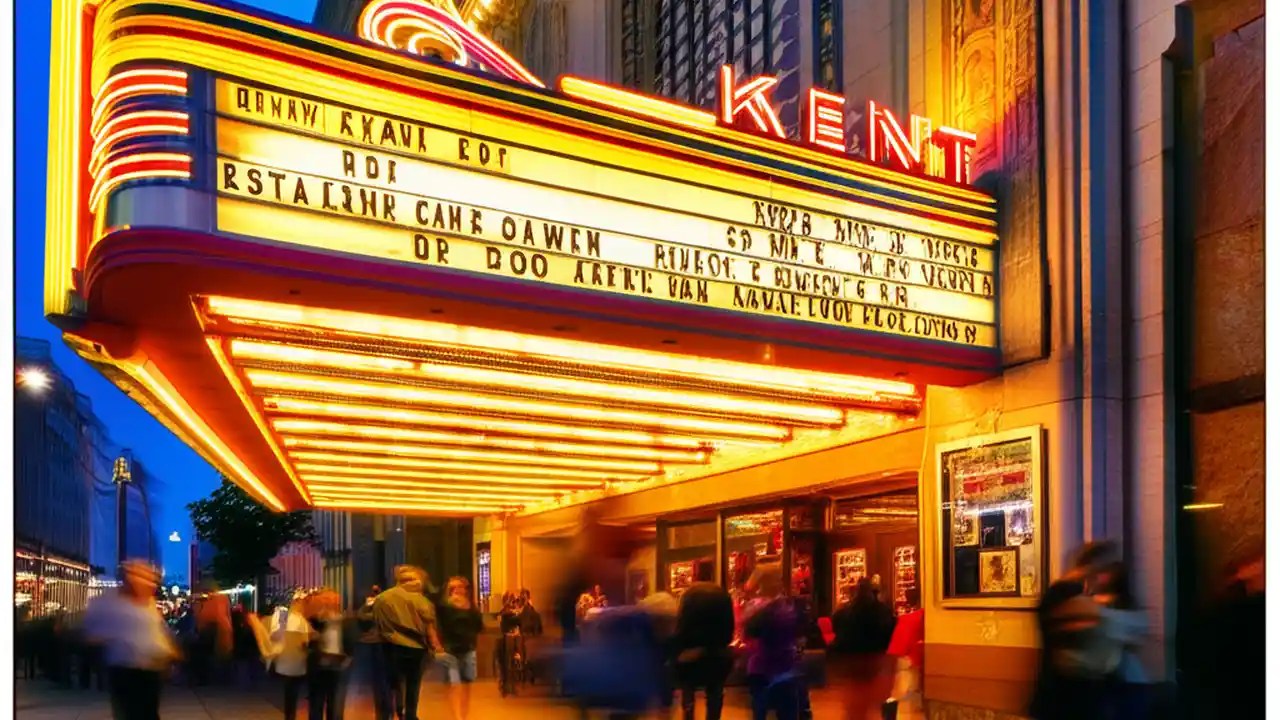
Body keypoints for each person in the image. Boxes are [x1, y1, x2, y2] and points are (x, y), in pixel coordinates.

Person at [1028, 540, 1121, 720]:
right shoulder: (1066, 595)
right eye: (1107, 569)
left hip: (1067, 695)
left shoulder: (1066, 593)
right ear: (1092, 568)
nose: (1109, 577)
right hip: (1067, 697)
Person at [81, 561, 180, 720]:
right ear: (131, 582)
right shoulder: (108, 603)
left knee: (147, 712)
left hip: (151, 668)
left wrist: (169, 652)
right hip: (125, 668)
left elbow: (156, 632)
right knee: (129, 712)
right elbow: (93, 633)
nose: (150, 588)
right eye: (146, 582)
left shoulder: (148, 604)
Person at [373, 565, 442, 720]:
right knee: (413, 684)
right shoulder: (422, 601)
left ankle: (389, 713)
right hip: (416, 648)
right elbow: (429, 628)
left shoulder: (382, 598)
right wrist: (436, 648)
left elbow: (376, 622)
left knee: (391, 684)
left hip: (389, 646)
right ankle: (410, 714)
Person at [741, 561, 803, 720]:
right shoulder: (789, 606)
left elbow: (747, 633)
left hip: (761, 666)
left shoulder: (756, 607)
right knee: (787, 711)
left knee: (760, 709)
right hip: (787, 665)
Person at [828, 578, 897, 720]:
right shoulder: (881, 611)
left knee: (856, 703)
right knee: (876, 698)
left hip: (853, 660)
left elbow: (837, 626)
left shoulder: (846, 611)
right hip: (875, 657)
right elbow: (889, 629)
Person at [1090, 561, 1149, 720]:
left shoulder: (1104, 607)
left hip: (1125, 678)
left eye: (1105, 573)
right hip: (1112, 678)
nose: (1101, 577)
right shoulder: (1097, 604)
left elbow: (1134, 635)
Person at [673, 574, 735, 720]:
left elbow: (681, 630)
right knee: (715, 692)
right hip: (717, 655)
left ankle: (688, 714)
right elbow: (729, 631)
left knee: (688, 689)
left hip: (691, 657)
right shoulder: (722, 597)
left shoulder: (689, 597)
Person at [436, 577, 484, 720]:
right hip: (450, 650)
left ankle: (463, 715)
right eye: (454, 587)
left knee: (467, 685)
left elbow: (479, 626)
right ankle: (456, 716)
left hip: (468, 649)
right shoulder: (444, 607)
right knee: (454, 685)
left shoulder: (472, 607)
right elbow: (439, 625)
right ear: (449, 590)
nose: (458, 590)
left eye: (461, 587)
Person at [307, 588, 355, 720]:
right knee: (316, 701)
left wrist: (348, 659)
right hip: (319, 663)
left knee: (336, 703)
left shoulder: (345, 621)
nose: (331, 602)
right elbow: (308, 640)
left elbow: (352, 641)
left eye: (333, 600)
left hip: (338, 664)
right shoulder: (315, 620)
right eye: (327, 600)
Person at [269, 592, 313, 720]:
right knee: (289, 694)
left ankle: (290, 715)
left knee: (292, 694)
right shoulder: (283, 616)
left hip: (296, 662)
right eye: (301, 602)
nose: (303, 605)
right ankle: (289, 715)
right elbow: (274, 636)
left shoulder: (302, 619)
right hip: (286, 661)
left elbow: (307, 641)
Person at [883, 587, 923, 720]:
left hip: (901, 654)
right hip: (909, 657)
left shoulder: (907, 618)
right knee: (906, 691)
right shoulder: (920, 617)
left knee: (901, 690)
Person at [356, 586, 391, 720]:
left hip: (379, 643)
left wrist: (367, 606)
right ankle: (385, 712)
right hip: (377, 643)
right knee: (380, 681)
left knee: (381, 681)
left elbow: (364, 617)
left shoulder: (383, 608)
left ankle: (385, 712)